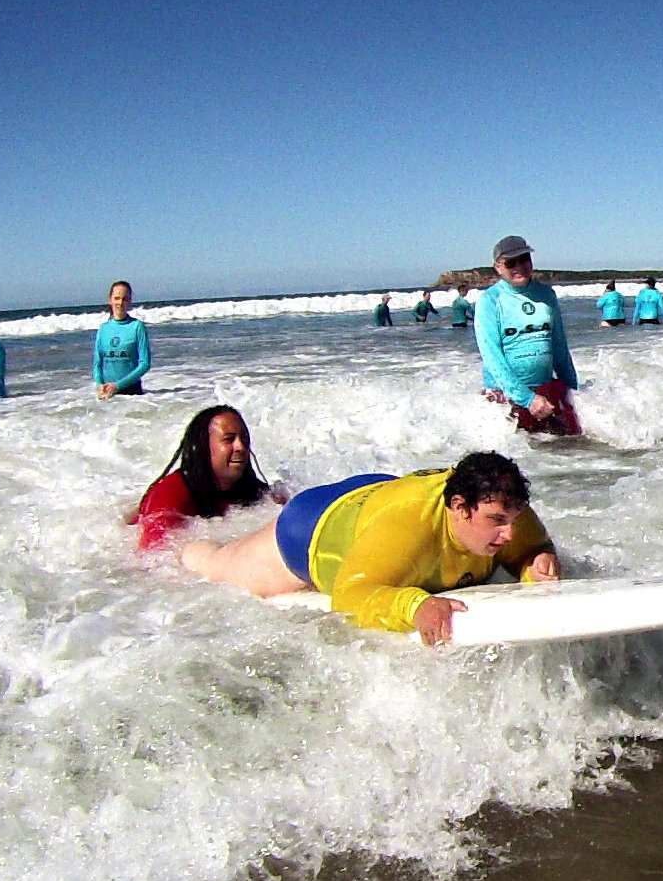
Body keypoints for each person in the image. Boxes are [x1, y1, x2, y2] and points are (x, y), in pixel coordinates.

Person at [180, 450, 558, 644]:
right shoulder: (410, 529)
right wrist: (415, 606)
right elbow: (349, 593)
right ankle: (173, 549)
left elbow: (532, 546)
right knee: (217, 565)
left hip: (380, 497)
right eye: (496, 523)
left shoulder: (502, 505)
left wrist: (535, 561)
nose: (509, 533)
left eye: (513, 521)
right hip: (311, 528)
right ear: (459, 508)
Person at [133, 404, 281, 550]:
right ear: (203, 447)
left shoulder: (251, 489)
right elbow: (154, 556)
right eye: (229, 439)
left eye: (244, 439)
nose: (240, 447)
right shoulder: (169, 494)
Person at [476, 234, 581, 435]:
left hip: (544, 391)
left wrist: (573, 390)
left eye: (524, 259)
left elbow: (559, 347)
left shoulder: (546, 295)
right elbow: (492, 357)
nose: (519, 266)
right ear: (498, 266)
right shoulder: (490, 300)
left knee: (570, 451)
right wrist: (526, 398)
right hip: (505, 396)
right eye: (511, 262)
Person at [95, 280, 152, 398]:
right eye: (116, 298)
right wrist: (99, 384)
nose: (120, 302)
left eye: (125, 299)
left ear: (130, 301)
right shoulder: (103, 329)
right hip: (107, 393)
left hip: (132, 394)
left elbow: (145, 364)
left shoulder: (137, 326)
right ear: (110, 300)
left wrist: (118, 386)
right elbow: (97, 364)